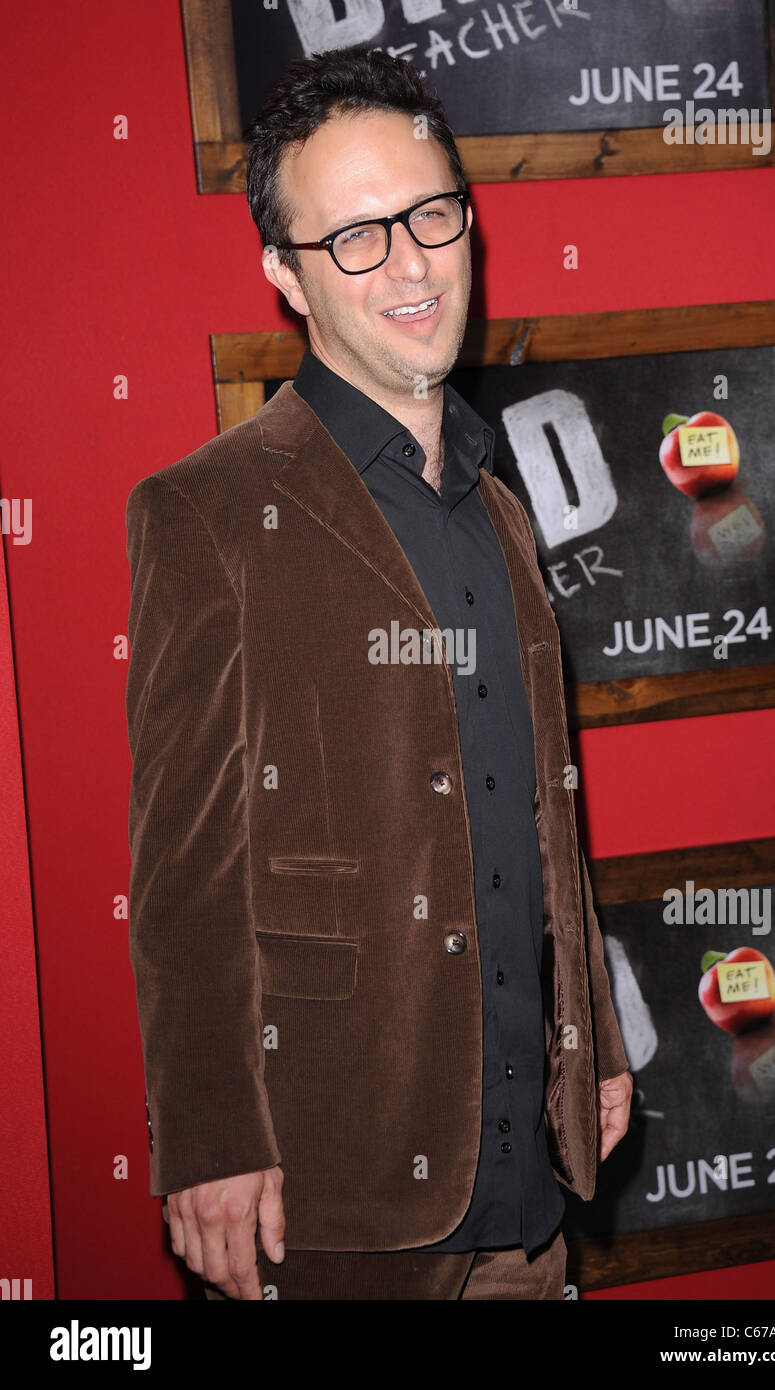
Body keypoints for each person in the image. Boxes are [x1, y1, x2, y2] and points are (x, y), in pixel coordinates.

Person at [124, 44, 632, 1302]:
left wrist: (595, 1042)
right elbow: (184, 868)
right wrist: (212, 1141)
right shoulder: (211, 512)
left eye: (430, 214)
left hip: (525, 1187)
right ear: (283, 277)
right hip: (333, 1191)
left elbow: (543, 819)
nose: (408, 263)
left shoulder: (501, 506)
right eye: (353, 236)